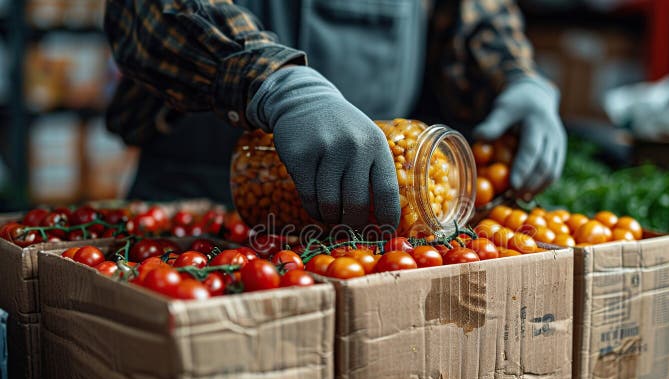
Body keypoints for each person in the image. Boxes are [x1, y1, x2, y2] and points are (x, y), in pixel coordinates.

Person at [104, 0, 566, 229]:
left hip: (367, 209)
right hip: (194, 206)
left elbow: (473, 12)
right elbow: (148, 12)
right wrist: (277, 84)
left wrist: (516, 76)